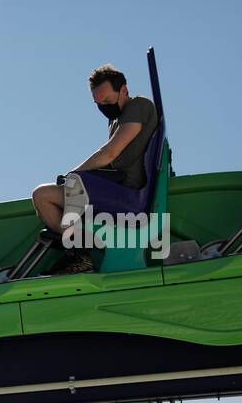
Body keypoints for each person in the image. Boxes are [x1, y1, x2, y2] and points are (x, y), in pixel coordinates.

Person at [30, 63, 159, 273]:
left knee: (45, 195)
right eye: (98, 103)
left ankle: (80, 255)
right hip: (112, 187)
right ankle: (79, 249)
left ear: (124, 90)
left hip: (126, 191)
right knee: (43, 195)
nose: (103, 107)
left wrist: (74, 175)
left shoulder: (139, 106)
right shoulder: (116, 120)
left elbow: (109, 153)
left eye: (107, 101)